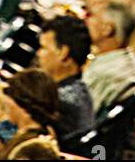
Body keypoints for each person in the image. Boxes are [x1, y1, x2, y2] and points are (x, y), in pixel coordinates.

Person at [82, 0, 135, 116]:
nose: (85, 19)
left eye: (90, 15)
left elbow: (79, 120)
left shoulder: (106, 74)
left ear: (107, 29)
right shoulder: (127, 59)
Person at [35, 16, 94, 145]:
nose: (38, 54)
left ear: (63, 52)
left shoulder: (58, 102)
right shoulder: (79, 92)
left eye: (43, 47)